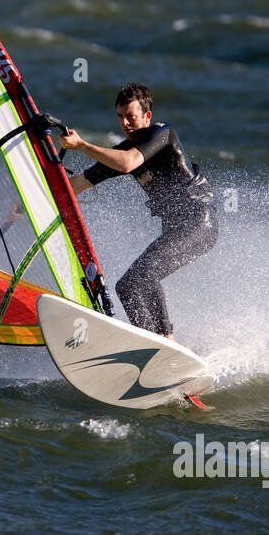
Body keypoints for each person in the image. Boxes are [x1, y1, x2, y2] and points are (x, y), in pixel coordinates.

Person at [59, 82, 216, 341]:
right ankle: (151, 343)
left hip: (199, 224)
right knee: (128, 286)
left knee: (142, 277)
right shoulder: (122, 152)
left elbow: (128, 163)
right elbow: (77, 185)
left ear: (147, 116)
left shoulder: (163, 135)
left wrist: (81, 145)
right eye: (120, 117)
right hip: (176, 230)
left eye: (130, 117)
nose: (125, 123)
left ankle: (165, 339)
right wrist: (27, 199)